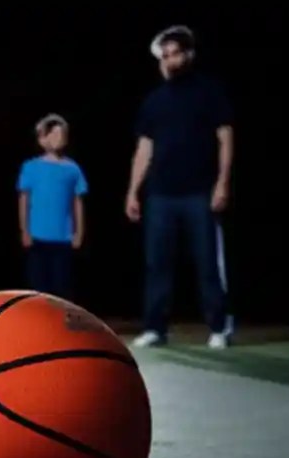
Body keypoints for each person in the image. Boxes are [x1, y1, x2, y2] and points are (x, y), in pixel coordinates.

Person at [125, 25, 234, 348]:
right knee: (157, 263)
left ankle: (218, 326)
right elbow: (144, 148)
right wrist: (133, 190)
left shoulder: (208, 91)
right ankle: (156, 328)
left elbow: (225, 138)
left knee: (206, 262)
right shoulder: (154, 100)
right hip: (160, 194)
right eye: (166, 55)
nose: (170, 60)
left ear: (188, 55)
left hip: (199, 191)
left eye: (176, 54)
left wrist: (222, 183)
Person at [17, 113, 88, 300]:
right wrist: (24, 230)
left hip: (63, 238)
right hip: (38, 237)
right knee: (38, 287)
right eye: (54, 134)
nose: (59, 139)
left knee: (62, 286)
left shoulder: (73, 169)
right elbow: (24, 199)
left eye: (62, 135)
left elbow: (77, 202)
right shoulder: (30, 167)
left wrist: (79, 232)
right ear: (43, 138)